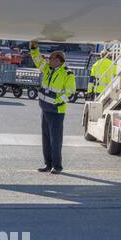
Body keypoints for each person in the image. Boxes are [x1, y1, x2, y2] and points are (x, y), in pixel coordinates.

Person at [30, 41, 77, 174]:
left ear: (59, 61)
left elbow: (70, 92)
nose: (49, 60)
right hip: (45, 109)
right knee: (46, 139)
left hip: (56, 111)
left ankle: (57, 166)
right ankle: (48, 164)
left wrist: (56, 101)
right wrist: (34, 48)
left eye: (51, 58)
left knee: (55, 140)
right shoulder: (48, 69)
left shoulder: (68, 74)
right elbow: (37, 60)